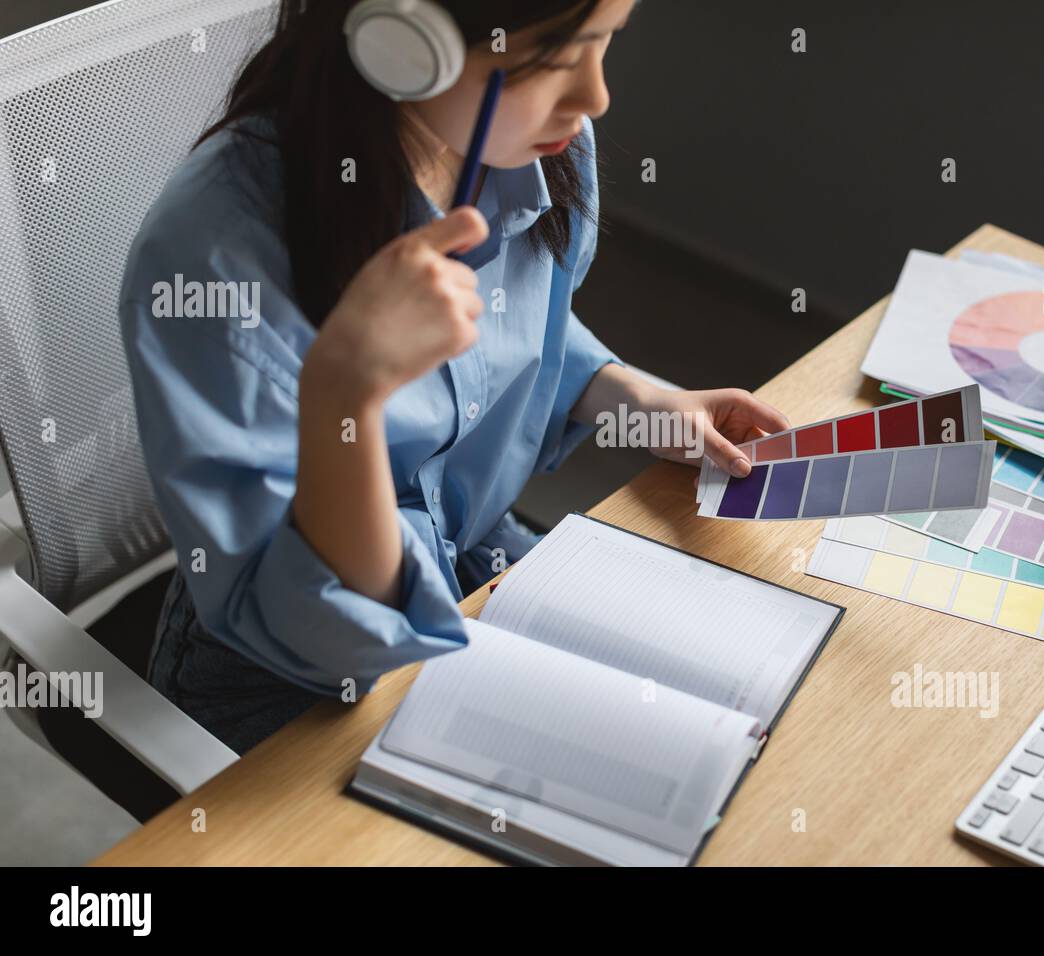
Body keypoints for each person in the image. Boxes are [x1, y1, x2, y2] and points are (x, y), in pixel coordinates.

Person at [118, 0, 790, 755]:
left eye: (603, 44)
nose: (594, 96)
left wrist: (629, 395)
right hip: (293, 662)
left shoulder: (535, 141)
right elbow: (337, 640)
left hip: (467, 560)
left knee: (729, 712)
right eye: (557, 58)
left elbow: (506, 320)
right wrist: (348, 395)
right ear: (405, 43)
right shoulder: (213, 257)